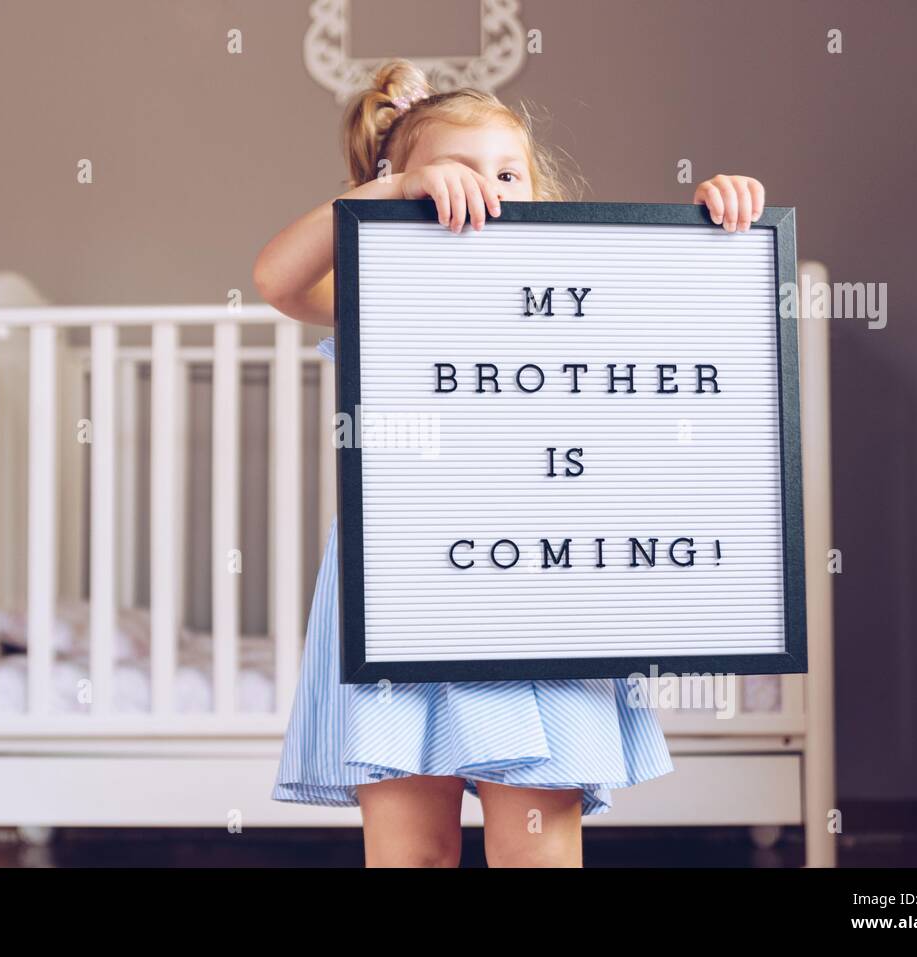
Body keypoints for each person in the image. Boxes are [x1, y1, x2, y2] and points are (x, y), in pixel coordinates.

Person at [252, 58, 766, 867]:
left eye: (506, 172)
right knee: (409, 851)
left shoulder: (578, 280)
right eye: (456, 173)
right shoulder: (384, 286)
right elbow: (277, 281)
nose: (485, 188)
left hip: (544, 596)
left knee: (539, 851)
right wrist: (383, 201)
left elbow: (676, 330)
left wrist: (715, 228)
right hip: (407, 595)